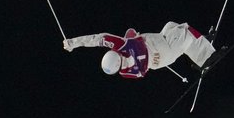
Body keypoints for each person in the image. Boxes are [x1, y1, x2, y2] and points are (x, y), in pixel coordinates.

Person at [63, 22, 217, 79]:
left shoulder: (124, 72)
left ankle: (199, 48)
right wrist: (73, 42)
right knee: (185, 30)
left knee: (170, 26)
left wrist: (74, 44)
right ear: (115, 53)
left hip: (160, 59)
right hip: (162, 48)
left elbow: (141, 71)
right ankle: (207, 58)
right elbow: (99, 38)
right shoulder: (124, 46)